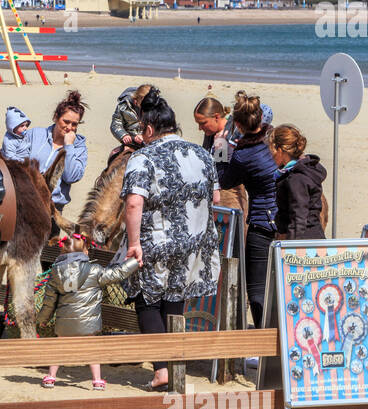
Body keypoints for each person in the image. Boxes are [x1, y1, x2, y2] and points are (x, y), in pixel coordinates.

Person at [113, 88, 221, 389]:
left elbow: (134, 202)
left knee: (146, 302)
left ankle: (162, 369)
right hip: (193, 243)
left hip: (154, 241)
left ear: (148, 129)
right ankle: (174, 366)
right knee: (174, 303)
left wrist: (133, 243)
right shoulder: (202, 154)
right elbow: (215, 197)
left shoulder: (143, 158)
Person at [38, 233, 140, 390]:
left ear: (62, 252)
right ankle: (97, 380)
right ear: (85, 252)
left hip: (65, 324)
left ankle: (51, 377)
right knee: (92, 349)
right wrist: (134, 262)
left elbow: (49, 301)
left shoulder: (56, 272)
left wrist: (42, 319)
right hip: (89, 323)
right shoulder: (95, 270)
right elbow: (116, 274)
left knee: (59, 348)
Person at [216, 93, 278, 328]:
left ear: (238, 125)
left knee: (257, 291)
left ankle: (265, 347)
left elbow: (223, 179)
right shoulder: (270, 143)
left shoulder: (244, 156)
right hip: (281, 217)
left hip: (262, 223)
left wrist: (221, 145)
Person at [23, 90, 89, 217]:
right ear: (56, 118)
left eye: (74, 124)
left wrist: (69, 146)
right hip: (26, 200)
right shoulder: (35, 135)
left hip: (52, 209)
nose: (69, 127)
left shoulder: (79, 148)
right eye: (66, 121)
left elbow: (71, 177)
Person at [270, 125, 327, 240]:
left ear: (280, 150)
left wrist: (290, 250)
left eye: (271, 150)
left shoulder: (297, 178)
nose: (270, 155)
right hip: (307, 239)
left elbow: (298, 218)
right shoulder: (295, 173)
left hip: (304, 244)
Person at [109, 83, 153, 150]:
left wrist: (145, 136)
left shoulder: (155, 107)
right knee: (114, 154)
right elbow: (116, 124)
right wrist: (124, 135)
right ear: (136, 101)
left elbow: (159, 126)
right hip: (130, 141)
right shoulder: (123, 106)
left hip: (149, 141)